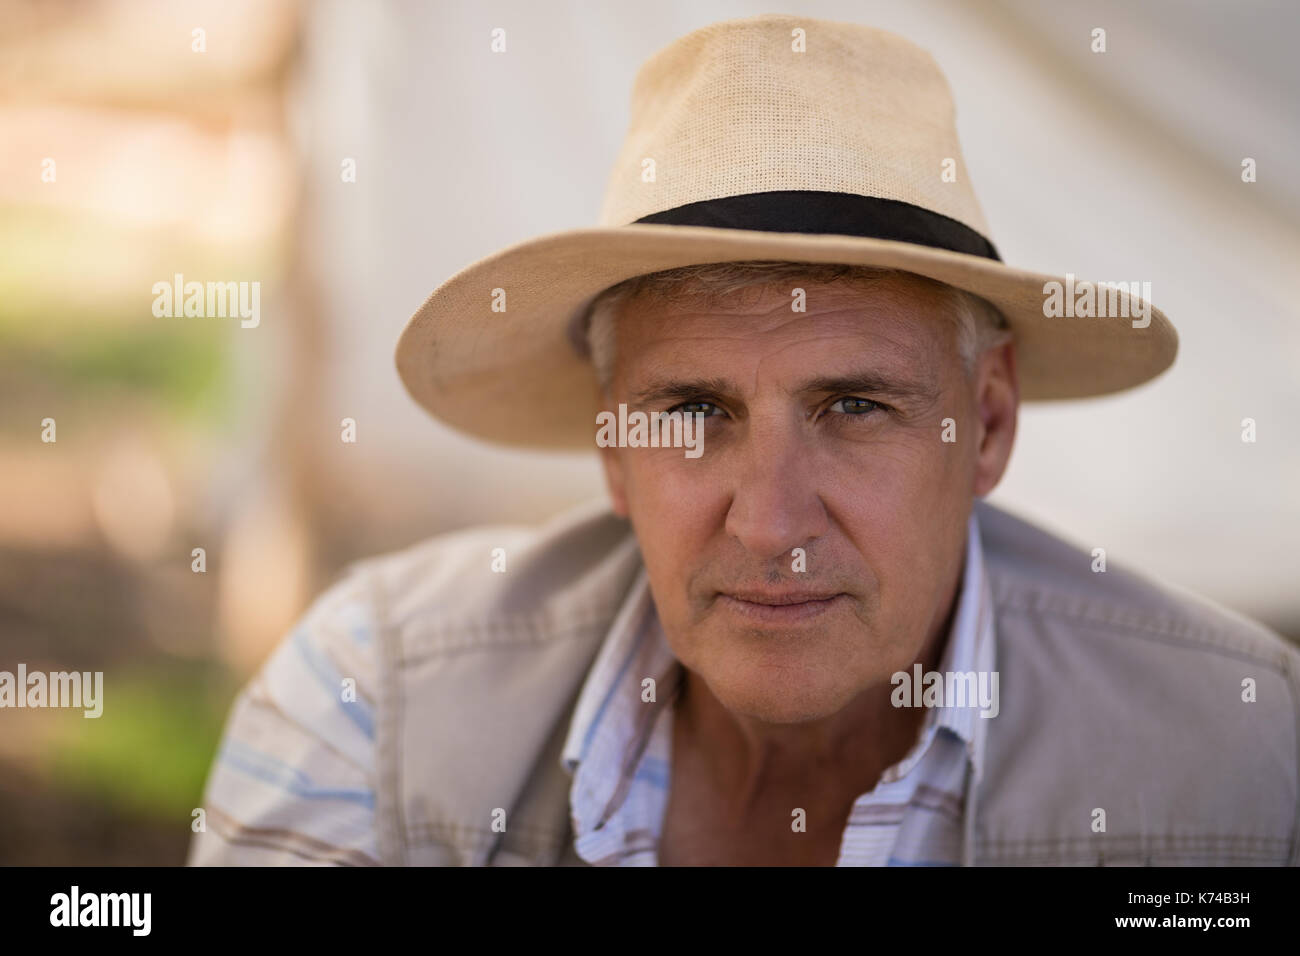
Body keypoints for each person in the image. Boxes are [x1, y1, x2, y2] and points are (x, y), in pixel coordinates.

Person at [189, 14, 1298, 866]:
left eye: (855, 408)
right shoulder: (373, 704)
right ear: (610, 447)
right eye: (691, 413)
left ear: (989, 424)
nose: (770, 523)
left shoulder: (1242, 765)